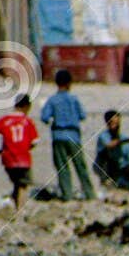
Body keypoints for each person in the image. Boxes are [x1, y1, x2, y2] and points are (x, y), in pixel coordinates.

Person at [40, 69, 95, 201]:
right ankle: (89, 193)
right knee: (80, 166)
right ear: (69, 83)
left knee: (62, 168)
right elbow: (82, 115)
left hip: (58, 135)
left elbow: (45, 117)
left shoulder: (52, 100)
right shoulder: (73, 99)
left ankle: (67, 194)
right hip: (73, 135)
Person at [0, 93, 38, 210]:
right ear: (26, 107)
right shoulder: (27, 121)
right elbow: (35, 141)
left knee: (16, 182)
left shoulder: (5, 120)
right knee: (23, 185)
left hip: (8, 159)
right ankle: (20, 209)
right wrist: (26, 148)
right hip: (24, 159)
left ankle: (15, 204)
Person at [94, 110, 129, 190]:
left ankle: (123, 182)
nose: (115, 126)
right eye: (112, 123)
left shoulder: (123, 137)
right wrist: (123, 141)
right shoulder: (103, 136)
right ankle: (107, 181)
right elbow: (110, 145)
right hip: (106, 166)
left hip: (120, 166)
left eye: (117, 123)